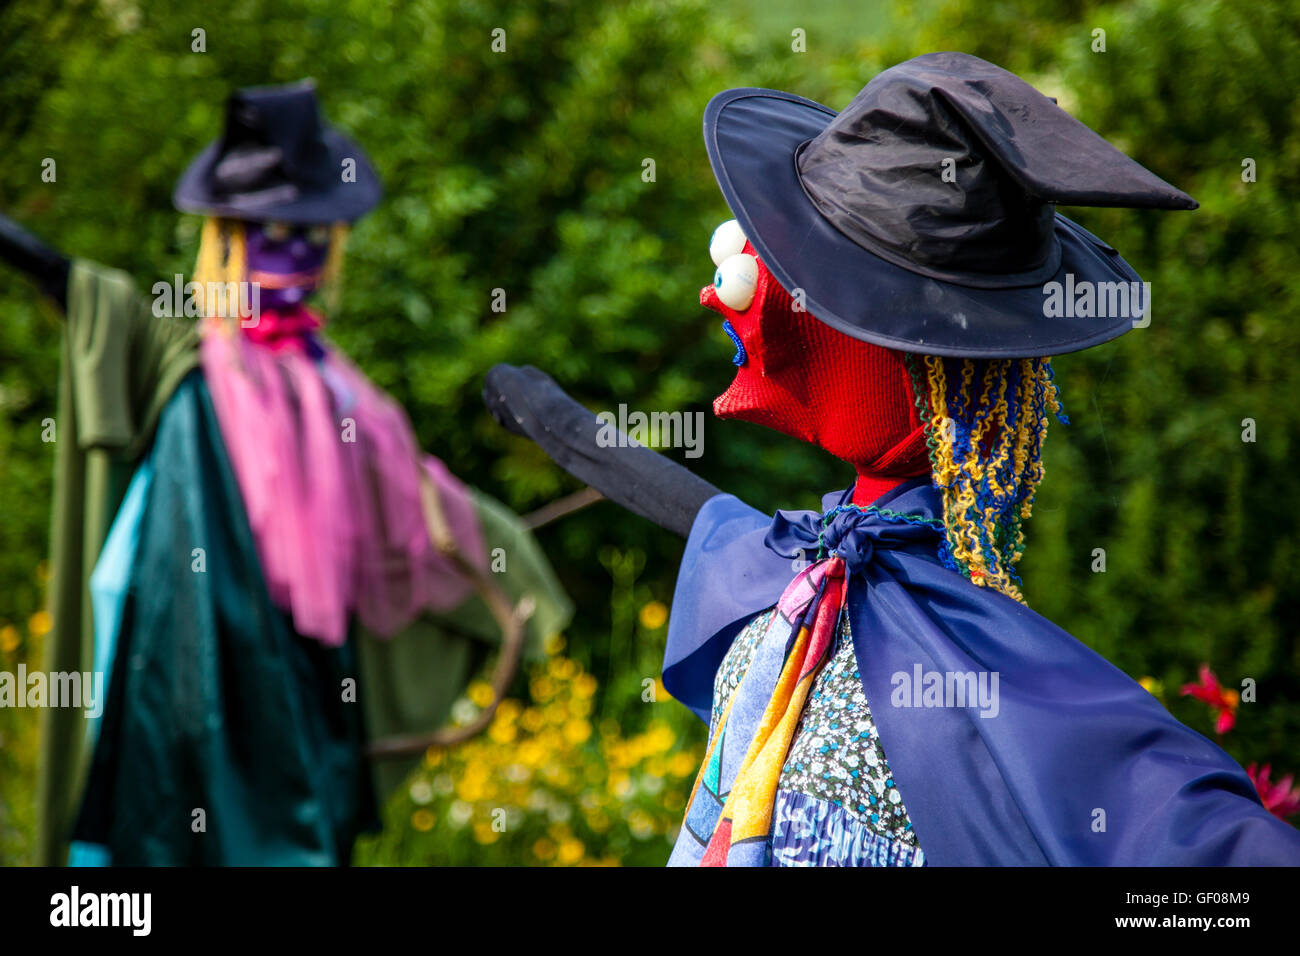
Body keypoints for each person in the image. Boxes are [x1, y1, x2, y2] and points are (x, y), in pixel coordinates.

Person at [486, 52, 1300, 866]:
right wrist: (562, 428)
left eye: (809, 280)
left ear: (906, 358)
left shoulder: (1003, 687)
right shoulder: (807, 571)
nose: (738, 289)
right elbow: (705, 515)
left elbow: (1194, 836)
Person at [1, 80, 571, 865]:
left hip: (303, 680)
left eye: (308, 230)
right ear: (227, 236)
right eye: (268, 230)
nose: (291, 249)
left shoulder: (338, 387)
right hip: (184, 662)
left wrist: (510, 569)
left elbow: (414, 500)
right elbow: (89, 294)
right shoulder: (185, 357)